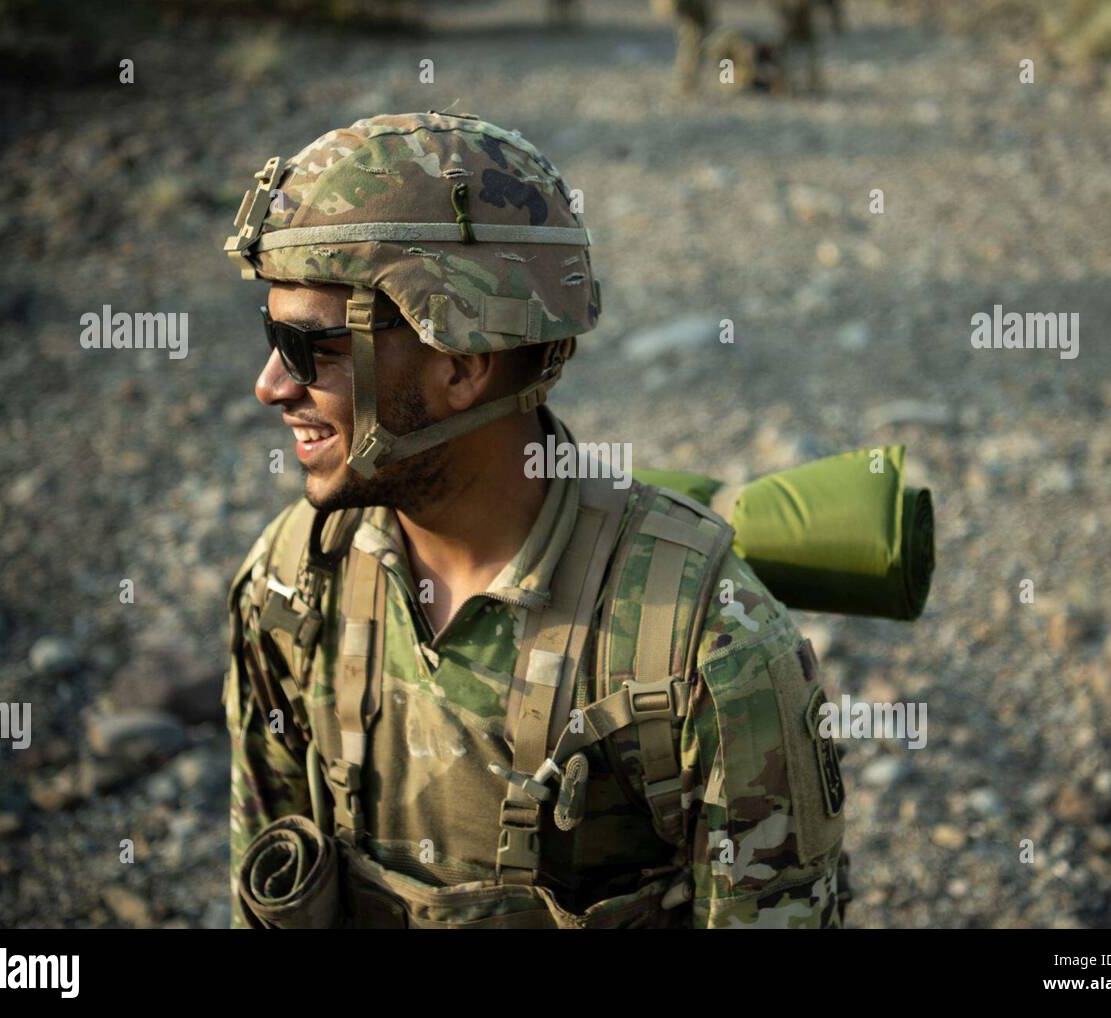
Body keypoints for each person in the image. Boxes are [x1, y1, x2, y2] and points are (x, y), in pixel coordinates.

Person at [223, 112, 849, 928]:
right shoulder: (295, 580)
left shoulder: (707, 653)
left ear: (460, 368)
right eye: (271, 337)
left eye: (309, 349)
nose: (270, 386)